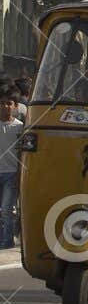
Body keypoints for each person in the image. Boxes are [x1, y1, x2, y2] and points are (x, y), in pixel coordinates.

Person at [0, 95, 22, 250]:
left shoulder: (20, 127)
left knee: (7, 210)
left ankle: (7, 241)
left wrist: (20, 174)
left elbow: (23, 153)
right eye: (2, 103)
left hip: (12, 174)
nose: (5, 106)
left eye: (9, 103)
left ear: (15, 106)